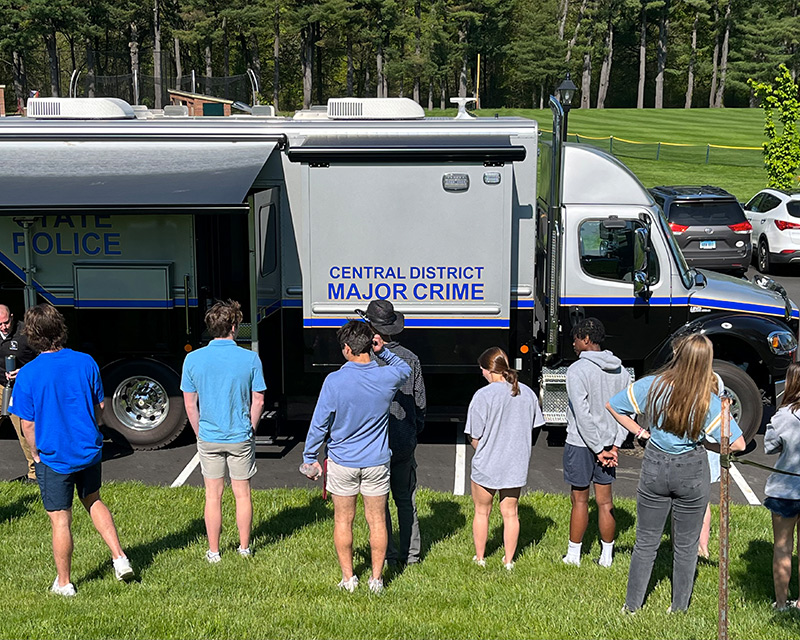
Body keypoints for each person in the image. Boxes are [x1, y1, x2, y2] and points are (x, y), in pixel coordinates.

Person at [607, 333, 745, 613]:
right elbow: (738, 443)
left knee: (645, 542)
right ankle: (679, 607)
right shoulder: (710, 401)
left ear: (678, 355)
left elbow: (614, 405)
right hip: (692, 468)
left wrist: (641, 432)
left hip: (655, 464)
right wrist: (707, 439)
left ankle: (631, 606)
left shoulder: (653, 385)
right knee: (686, 546)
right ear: (707, 363)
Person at [11, 303, 134, 596]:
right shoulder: (86, 362)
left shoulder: (28, 374)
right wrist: (95, 428)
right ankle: (119, 557)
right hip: (88, 449)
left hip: (54, 457)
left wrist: (35, 454)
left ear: (32, 334)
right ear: (60, 329)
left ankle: (64, 583)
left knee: (60, 518)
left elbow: (27, 424)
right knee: (93, 499)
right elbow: (100, 407)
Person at [302, 320, 411, 594]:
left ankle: (349, 578)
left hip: (342, 462)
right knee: (377, 521)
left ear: (347, 349)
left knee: (343, 520)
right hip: (376, 462)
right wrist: (383, 350)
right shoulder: (386, 377)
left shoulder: (334, 381)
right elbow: (405, 369)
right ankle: (376, 579)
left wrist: (309, 456)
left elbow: (320, 423)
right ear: (370, 346)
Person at [181, 300, 266, 563]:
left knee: (213, 494)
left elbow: (189, 403)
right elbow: (259, 400)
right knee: (242, 494)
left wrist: (199, 433)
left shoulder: (193, 358)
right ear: (234, 326)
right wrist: (250, 429)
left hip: (209, 435)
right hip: (240, 434)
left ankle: (214, 551)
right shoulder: (250, 358)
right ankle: (244, 548)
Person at [465, 347, 545, 570]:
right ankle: (509, 560)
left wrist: (482, 449)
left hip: (487, 463)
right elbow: (535, 428)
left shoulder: (483, 395)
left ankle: (480, 557)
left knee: (482, 511)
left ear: (489, 370)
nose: (481, 373)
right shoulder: (526, 393)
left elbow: (474, 434)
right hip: (515, 464)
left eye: (482, 369)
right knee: (511, 513)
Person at [361, 300, 426, 567]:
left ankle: (386, 554)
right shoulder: (411, 358)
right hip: (403, 439)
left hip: (374, 443)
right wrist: (413, 430)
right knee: (405, 500)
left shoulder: (365, 360)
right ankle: (411, 555)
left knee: (379, 504)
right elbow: (420, 403)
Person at [563, 318, 630, 568]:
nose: (573, 343)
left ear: (587, 340)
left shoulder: (577, 370)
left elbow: (582, 415)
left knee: (580, 500)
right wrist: (613, 445)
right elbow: (627, 411)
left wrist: (597, 449)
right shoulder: (621, 370)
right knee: (605, 501)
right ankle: (607, 556)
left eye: (576, 338)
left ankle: (573, 555)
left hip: (582, 443)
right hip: (610, 444)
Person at [763, 362, 800, 612]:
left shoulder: (783, 415)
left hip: (785, 489)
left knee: (782, 546)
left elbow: (770, 446)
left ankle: (780, 603)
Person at [0, 303, 38, 483]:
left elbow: (44, 357)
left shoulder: (26, 333)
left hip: (21, 387)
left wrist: (24, 371)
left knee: (24, 430)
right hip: (0, 385)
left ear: (12, 317)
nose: (3, 327)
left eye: (6, 322)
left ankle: (34, 473)